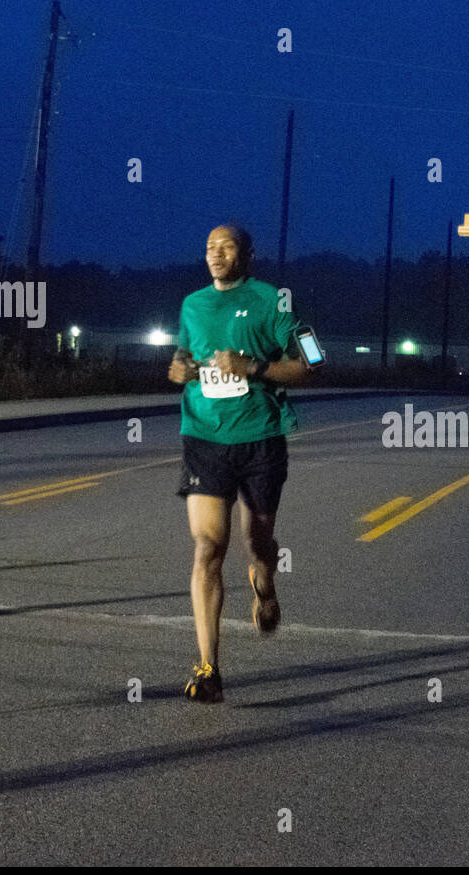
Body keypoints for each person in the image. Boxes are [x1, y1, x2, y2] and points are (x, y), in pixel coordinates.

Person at [167, 224, 315, 703]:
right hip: (204, 437)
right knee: (208, 545)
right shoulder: (192, 305)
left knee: (258, 542)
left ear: (247, 253)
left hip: (260, 440)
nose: (215, 253)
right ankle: (209, 668)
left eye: (226, 246)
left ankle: (265, 583)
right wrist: (179, 368)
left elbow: (313, 359)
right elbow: (184, 355)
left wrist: (252, 366)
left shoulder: (273, 301)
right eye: (209, 245)